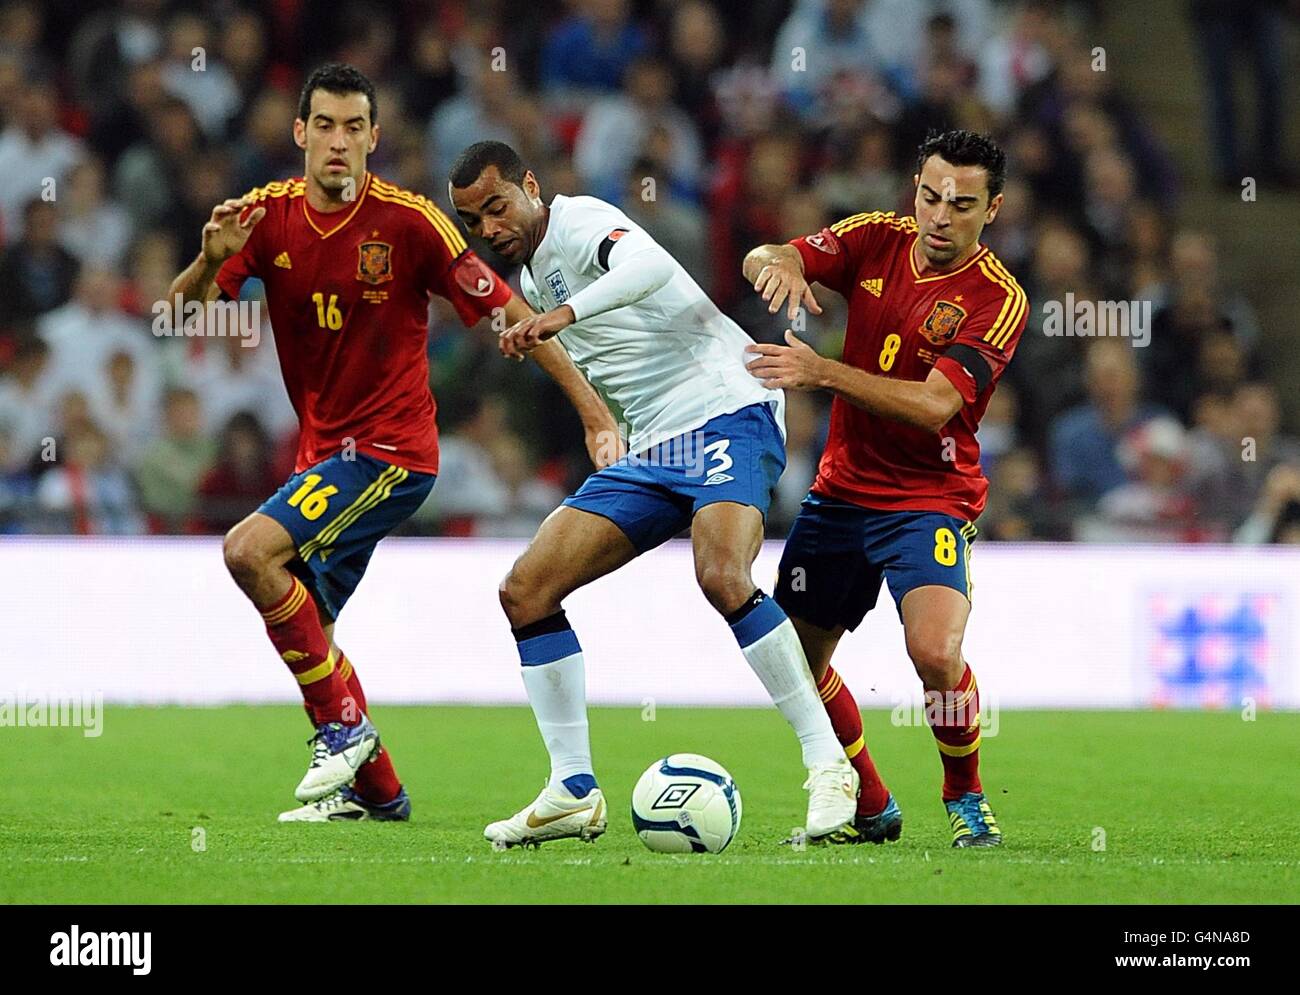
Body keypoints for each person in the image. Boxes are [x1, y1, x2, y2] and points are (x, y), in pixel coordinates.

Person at [166, 65, 615, 824]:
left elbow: (515, 316)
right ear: (301, 132)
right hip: (321, 453)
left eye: (354, 128)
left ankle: (341, 730)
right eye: (326, 126)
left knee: (248, 551)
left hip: (391, 452)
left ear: (374, 138)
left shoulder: (410, 224)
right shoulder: (264, 218)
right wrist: (211, 260)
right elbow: (180, 320)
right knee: (312, 623)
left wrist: (594, 413)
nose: (339, 143)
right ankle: (377, 791)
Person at [448, 140, 857, 847]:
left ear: (532, 187)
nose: (489, 227)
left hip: (728, 405)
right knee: (526, 590)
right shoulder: (534, 271)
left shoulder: (579, 221)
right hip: (655, 446)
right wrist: (597, 416)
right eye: (473, 219)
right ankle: (573, 788)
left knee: (721, 572)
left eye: (497, 206)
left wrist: (564, 315)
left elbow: (648, 267)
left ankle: (829, 766)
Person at [742, 130, 1027, 847]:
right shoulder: (874, 237)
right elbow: (773, 252)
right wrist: (775, 264)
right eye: (930, 195)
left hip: (929, 495)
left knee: (934, 652)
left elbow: (935, 404)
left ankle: (965, 796)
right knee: (798, 664)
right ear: (915, 187)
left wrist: (824, 371)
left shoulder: (998, 298)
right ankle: (871, 799)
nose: (939, 215)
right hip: (840, 493)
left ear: (991, 209)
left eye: (961, 205)